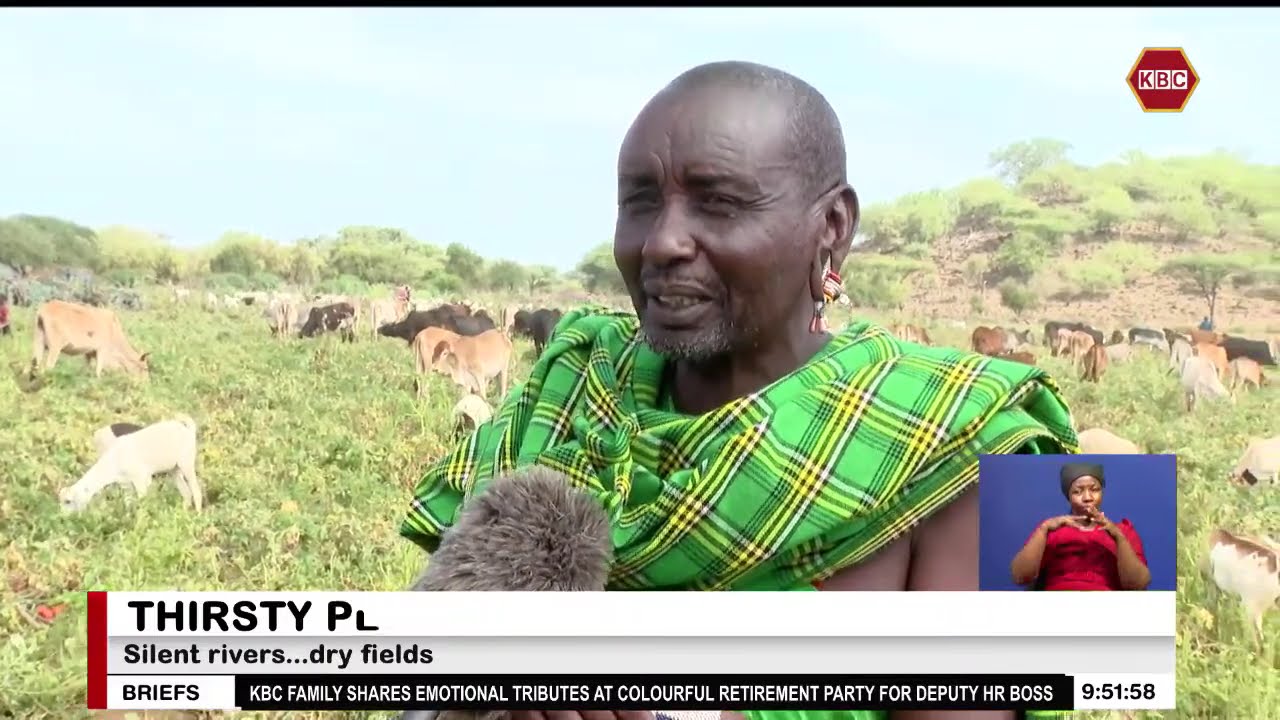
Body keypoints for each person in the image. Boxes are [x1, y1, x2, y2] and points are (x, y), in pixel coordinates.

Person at [401, 61, 1079, 720]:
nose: (661, 242)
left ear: (832, 227)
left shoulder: (964, 438)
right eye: (639, 201)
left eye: (720, 202)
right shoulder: (572, 381)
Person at [1009, 462, 1150, 592]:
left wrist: (1119, 537)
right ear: (1068, 496)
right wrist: (1043, 529)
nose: (1087, 497)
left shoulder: (1123, 531)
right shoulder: (1051, 530)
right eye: (1078, 491)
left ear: (1102, 492)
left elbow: (1138, 584)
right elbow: (1020, 576)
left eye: (1094, 489)